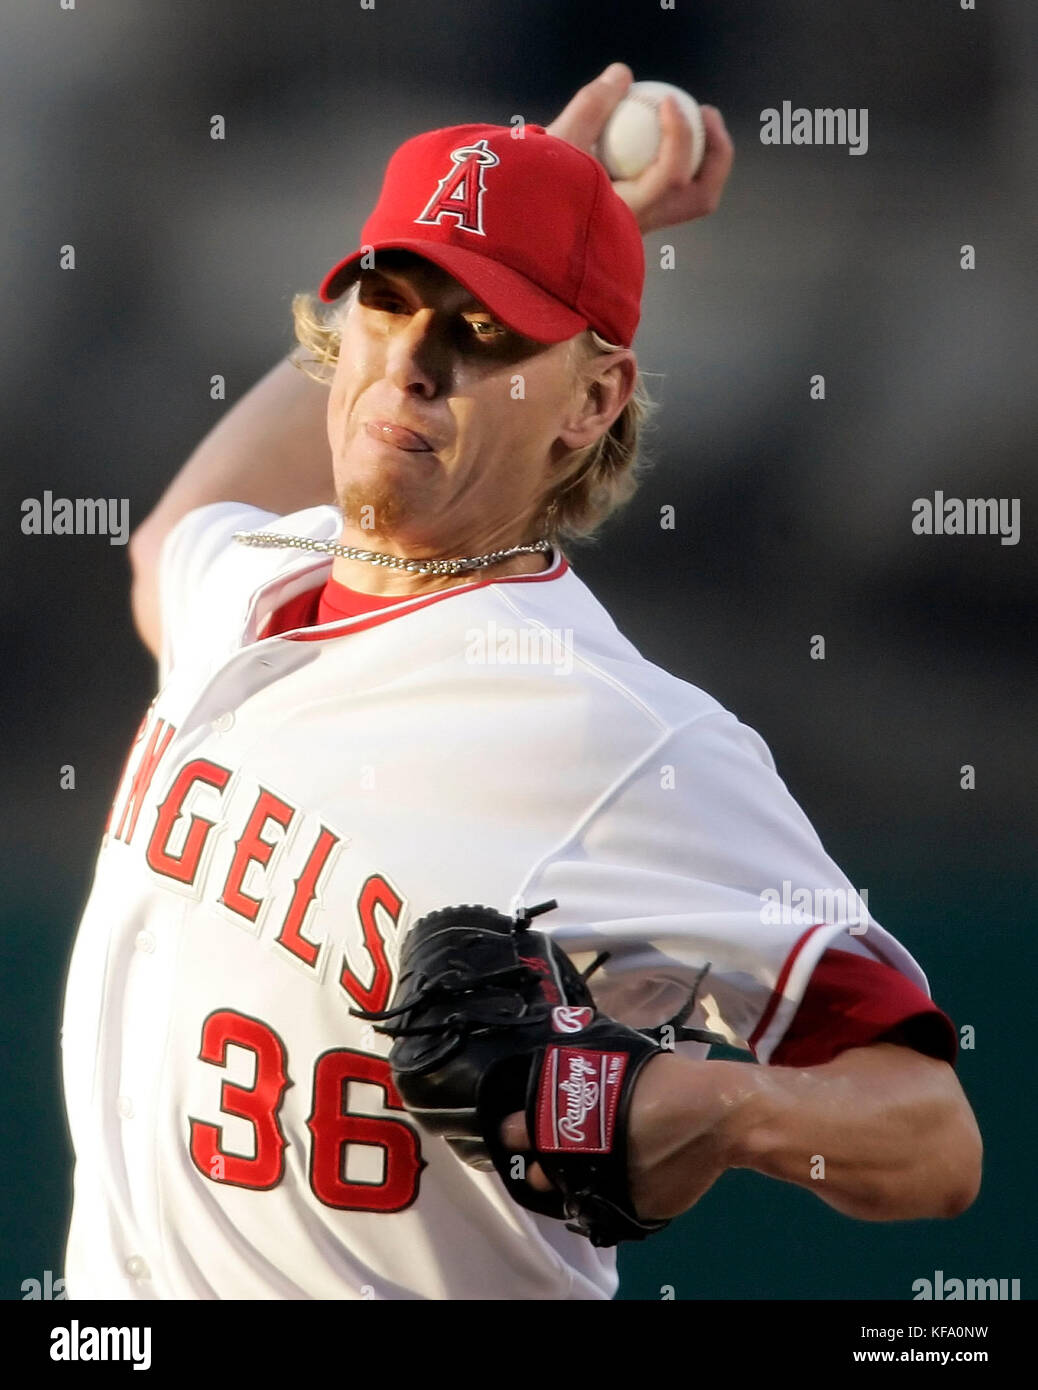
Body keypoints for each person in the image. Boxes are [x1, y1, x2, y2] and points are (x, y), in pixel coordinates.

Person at [61, 65, 981, 1301]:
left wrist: (697, 1102)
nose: (414, 362)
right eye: (388, 304)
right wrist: (547, 184)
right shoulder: (248, 584)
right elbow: (168, 534)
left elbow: (934, 1139)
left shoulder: (621, 736)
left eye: (483, 327)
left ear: (593, 400)